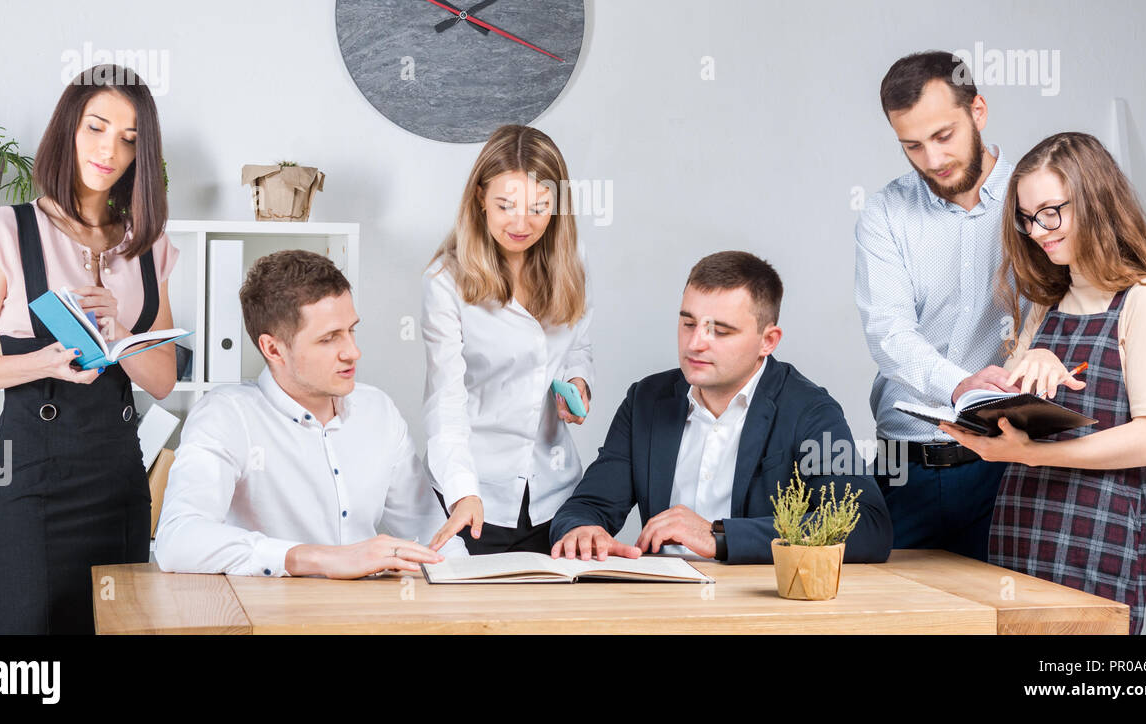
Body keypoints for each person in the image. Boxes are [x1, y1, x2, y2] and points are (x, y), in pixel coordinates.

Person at [937, 132, 1146, 634]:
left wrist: (1030, 454)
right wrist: (1017, 375)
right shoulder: (1046, 305)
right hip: (1022, 516)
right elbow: (1012, 411)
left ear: (1095, 200)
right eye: (1026, 217)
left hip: (1097, 529)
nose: (1037, 230)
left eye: (1050, 212)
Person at [0, 64, 180, 634]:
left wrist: (121, 334)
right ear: (68, 129)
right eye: (96, 128)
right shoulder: (7, 229)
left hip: (119, 483)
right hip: (29, 485)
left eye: (129, 139)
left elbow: (164, 380)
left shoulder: (148, 246)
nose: (110, 151)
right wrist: (42, 362)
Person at [550, 251, 891, 564]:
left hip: (758, 610)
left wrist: (721, 536)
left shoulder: (810, 410)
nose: (695, 343)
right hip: (660, 604)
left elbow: (867, 525)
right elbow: (589, 505)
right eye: (688, 324)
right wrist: (581, 529)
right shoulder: (646, 400)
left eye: (720, 331)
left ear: (767, 341)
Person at [155, 250, 463, 578]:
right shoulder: (227, 416)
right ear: (273, 349)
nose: (353, 352)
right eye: (329, 339)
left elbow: (434, 536)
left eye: (351, 330)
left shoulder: (378, 411)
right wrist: (324, 559)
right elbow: (178, 540)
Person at [854, 50, 1027, 561]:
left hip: (1008, 467)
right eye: (912, 145)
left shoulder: (1036, 196)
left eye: (943, 136)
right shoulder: (885, 213)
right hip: (905, 469)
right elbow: (888, 332)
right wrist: (959, 385)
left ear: (978, 111)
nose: (932, 159)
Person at [422, 124, 594, 556]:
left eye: (539, 207)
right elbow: (446, 397)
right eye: (506, 205)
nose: (522, 223)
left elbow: (577, 347)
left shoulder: (572, 264)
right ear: (480, 197)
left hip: (553, 492)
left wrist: (578, 383)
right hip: (477, 493)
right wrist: (462, 490)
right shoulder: (446, 281)